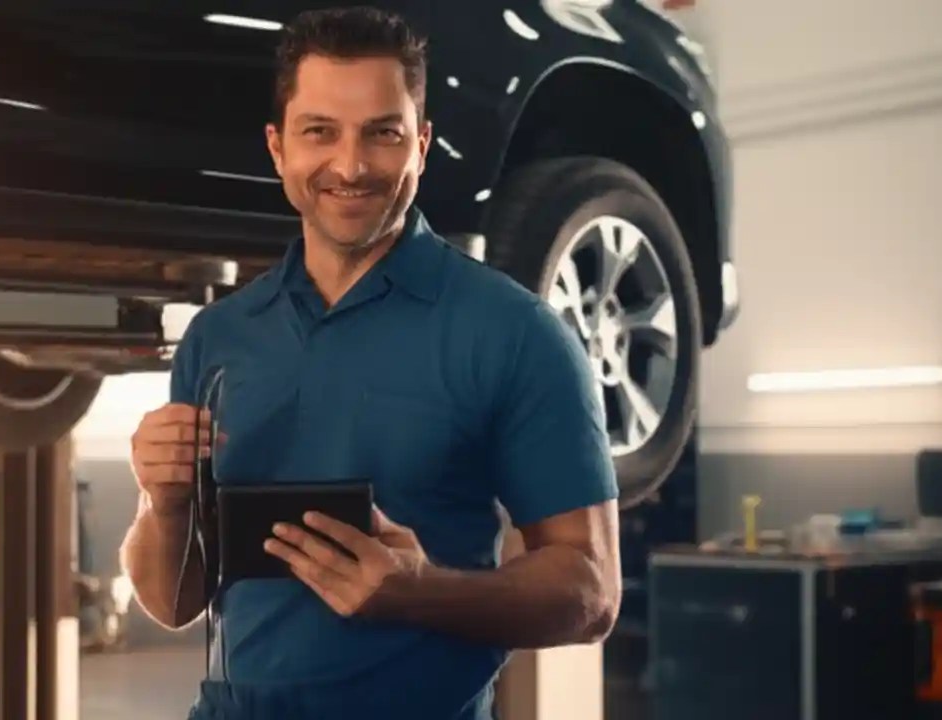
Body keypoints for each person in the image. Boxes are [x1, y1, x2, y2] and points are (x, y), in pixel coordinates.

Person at [120, 7, 621, 719]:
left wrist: (416, 591)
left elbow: (592, 594)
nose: (350, 166)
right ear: (277, 148)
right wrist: (161, 503)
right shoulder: (218, 337)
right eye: (319, 132)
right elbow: (175, 602)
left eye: (382, 134)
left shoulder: (515, 333)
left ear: (420, 145)